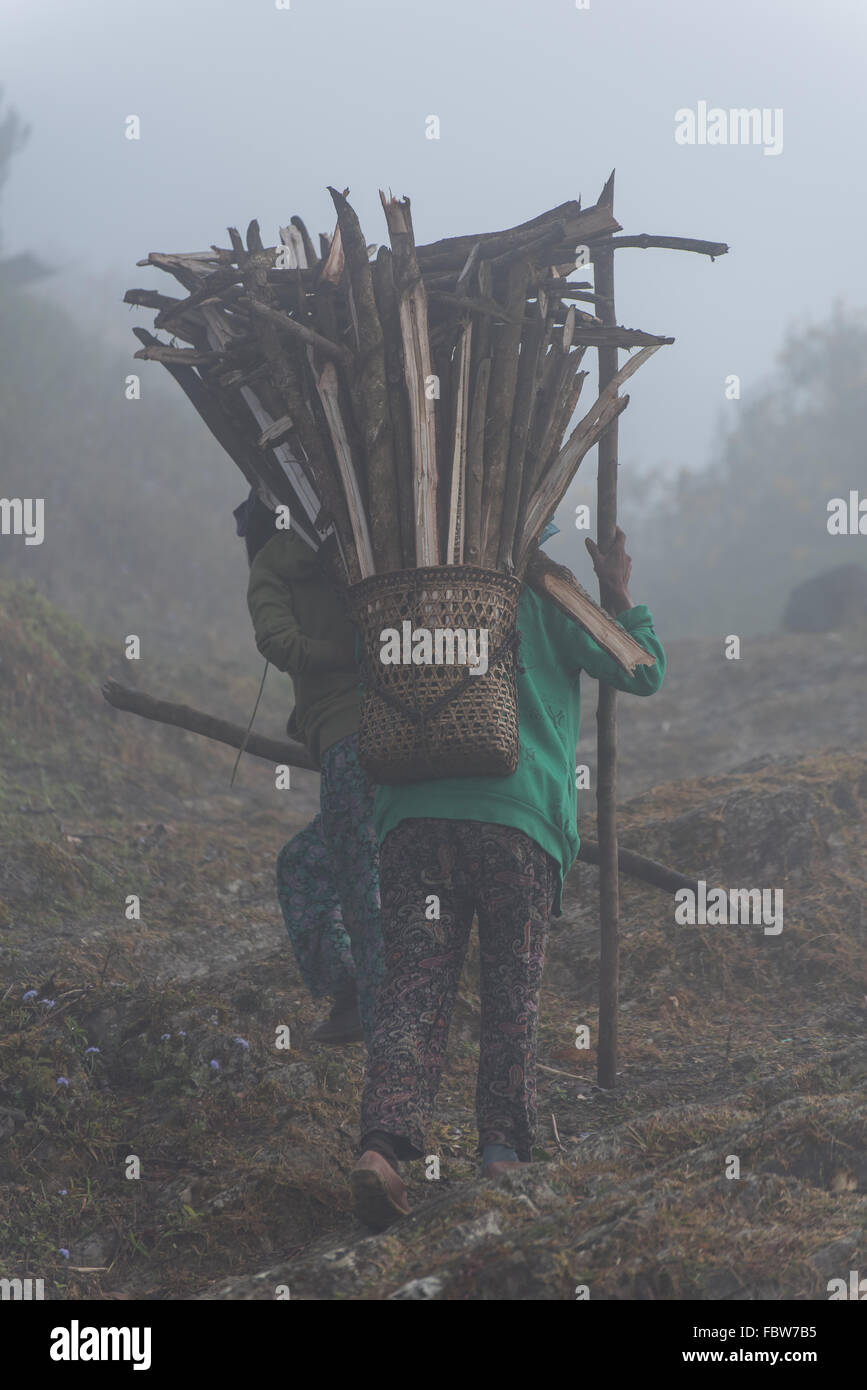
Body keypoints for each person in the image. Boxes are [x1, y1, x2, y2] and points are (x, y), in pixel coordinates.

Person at [349, 525, 665, 1229]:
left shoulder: (404, 580)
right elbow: (641, 668)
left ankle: (383, 1150)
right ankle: (499, 1151)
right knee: (509, 992)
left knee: (412, 987)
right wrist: (617, 593)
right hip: (513, 821)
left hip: (412, 813)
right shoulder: (543, 586)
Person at [237, 491, 381, 1046]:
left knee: (334, 872)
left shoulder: (272, 562)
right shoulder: (354, 540)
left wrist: (346, 660)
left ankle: (366, 1004)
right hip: (409, 720)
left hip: (350, 739)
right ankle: (378, 998)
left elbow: (278, 641)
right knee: (381, 859)